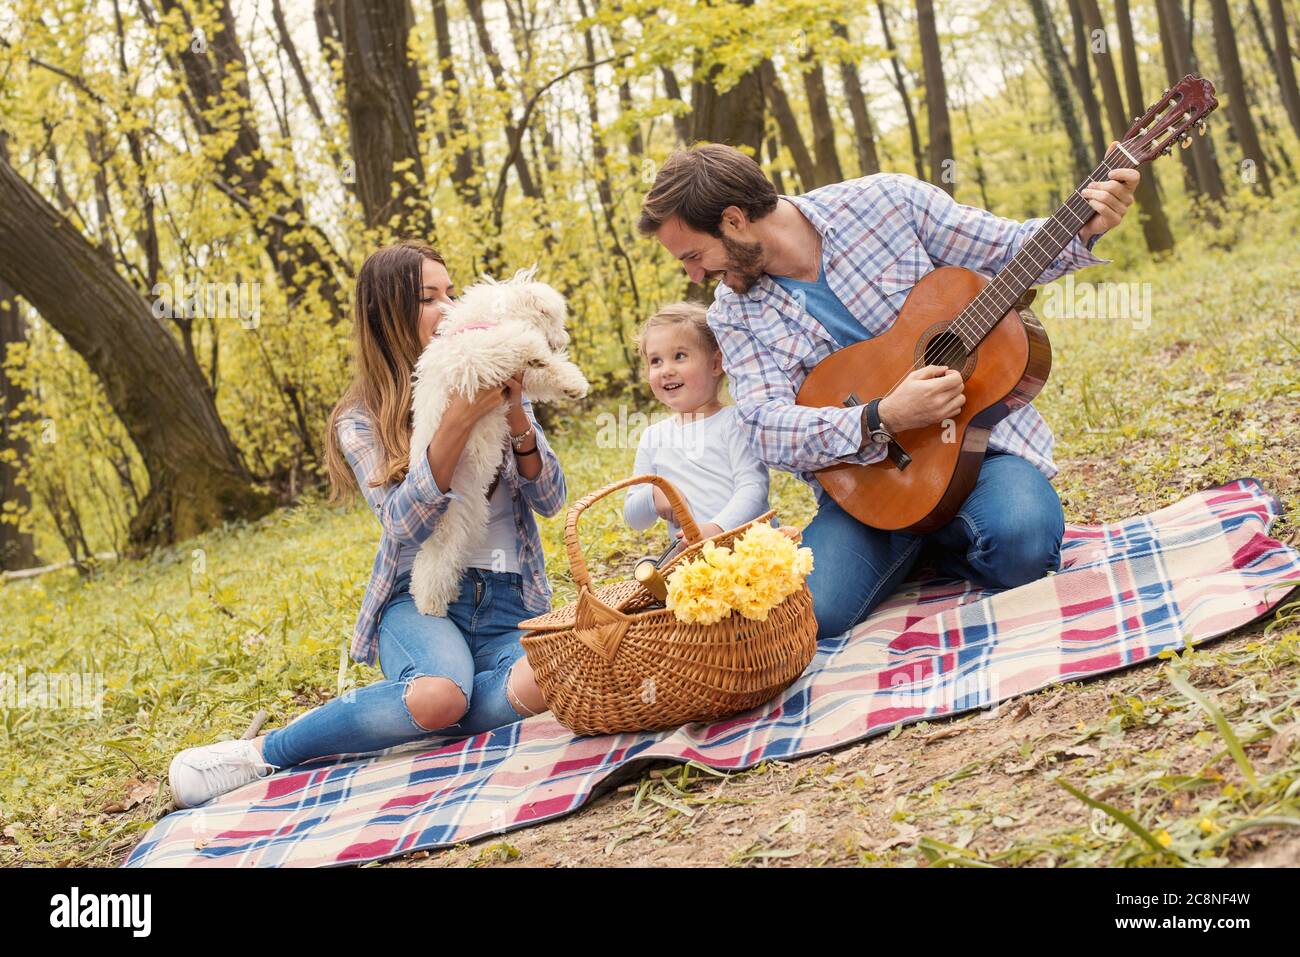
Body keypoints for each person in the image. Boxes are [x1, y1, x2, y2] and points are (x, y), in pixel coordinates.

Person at [636, 144, 1139, 640]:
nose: (695, 275)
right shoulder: (733, 313)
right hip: (866, 489)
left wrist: (1085, 225)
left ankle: (929, 540)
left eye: (695, 255)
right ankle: (921, 540)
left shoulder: (886, 202)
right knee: (814, 614)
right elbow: (765, 428)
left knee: (1022, 546)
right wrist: (880, 417)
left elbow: (1009, 251)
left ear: (734, 219)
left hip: (976, 456)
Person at [167, 241, 563, 808]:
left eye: (452, 292)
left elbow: (550, 499)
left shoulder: (493, 375)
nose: (449, 308)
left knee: (550, 678)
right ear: (388, 317)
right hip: (420, 604)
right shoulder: (362, 418)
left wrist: (517, 413)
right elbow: (404, 524)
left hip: (511, 603)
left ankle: (427, 716)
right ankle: (263, 754)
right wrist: (455, 422)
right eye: (429, 298)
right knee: (437, 693)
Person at [623, 302, 769, 544]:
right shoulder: (653, 436)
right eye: (656, 361)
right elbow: (634, 519)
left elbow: (753, 488)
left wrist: (715, 529)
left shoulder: (734, 422)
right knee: (650, 570)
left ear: (715, 364)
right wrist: (653, 493)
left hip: (750, 551)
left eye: (679, 356)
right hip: (695, 564)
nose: (666, 370)